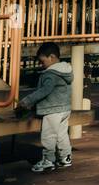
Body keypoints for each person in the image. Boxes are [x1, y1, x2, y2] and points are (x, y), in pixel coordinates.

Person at [17, 42, 74, 173]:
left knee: (48, 135)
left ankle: (48, 160)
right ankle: (65, 157)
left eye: (42, 61)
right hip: (64, 109)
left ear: (52, 57)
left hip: (52, 110)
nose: (41, 64)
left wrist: (27, 101)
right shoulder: (65, 71)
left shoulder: (51, 74)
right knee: (62, 134)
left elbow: (44, 91)